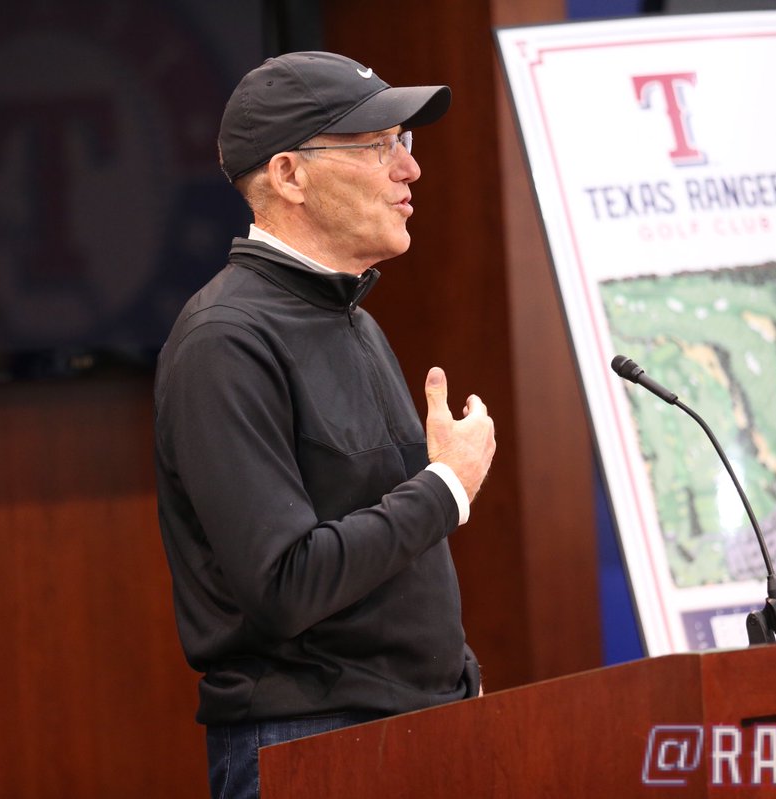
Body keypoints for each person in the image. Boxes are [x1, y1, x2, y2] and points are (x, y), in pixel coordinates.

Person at [153, 50, 496, 799]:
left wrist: (457, 681)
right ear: (288, 175)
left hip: (421, 727)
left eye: (406, 142)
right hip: (312, 745)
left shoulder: (355, 320)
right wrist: (446, 488)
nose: (410, 170)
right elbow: (284, 584)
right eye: (378, 146)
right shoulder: (225, 341)